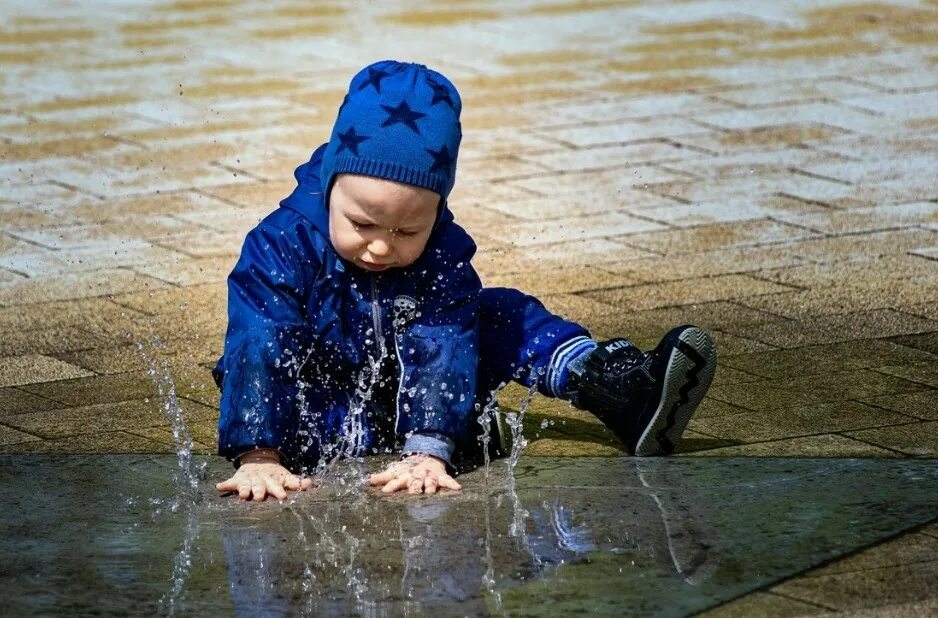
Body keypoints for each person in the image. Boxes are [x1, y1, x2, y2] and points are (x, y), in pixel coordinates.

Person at [211, 60, 717, 502]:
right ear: (329, 188)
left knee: (500, 313)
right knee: (271, 342)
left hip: (403, 396)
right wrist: (258, 454)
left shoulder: (442, 251)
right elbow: (259, 340)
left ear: (437, 209)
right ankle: (471, 428)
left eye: (407, 229)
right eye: (361, 224)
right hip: (317, 415)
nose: (382, 246)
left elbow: (444, 342)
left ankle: (619, 389)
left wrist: (427, 450)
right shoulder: (281, 244)